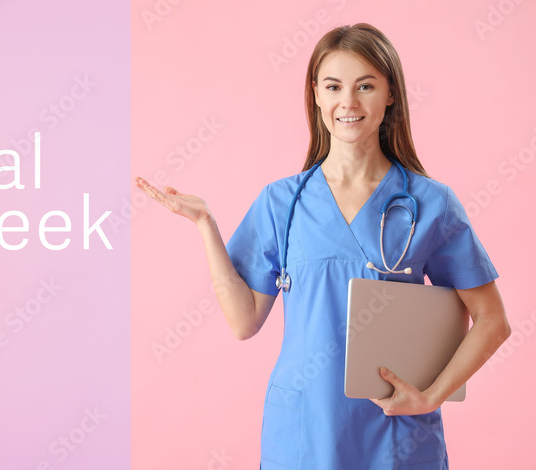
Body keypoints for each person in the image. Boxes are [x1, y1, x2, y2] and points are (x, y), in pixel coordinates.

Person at [134, 23, 510, 469]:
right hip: (303, 429)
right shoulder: (282, 202)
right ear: (315, 94)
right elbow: (243, 321)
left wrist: (429, 397)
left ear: (390, 94)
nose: (348, 103)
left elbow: (492, 321)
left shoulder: (430, 203)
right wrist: (205, 224)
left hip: (394, 431)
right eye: (333, 86)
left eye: (366, 86)